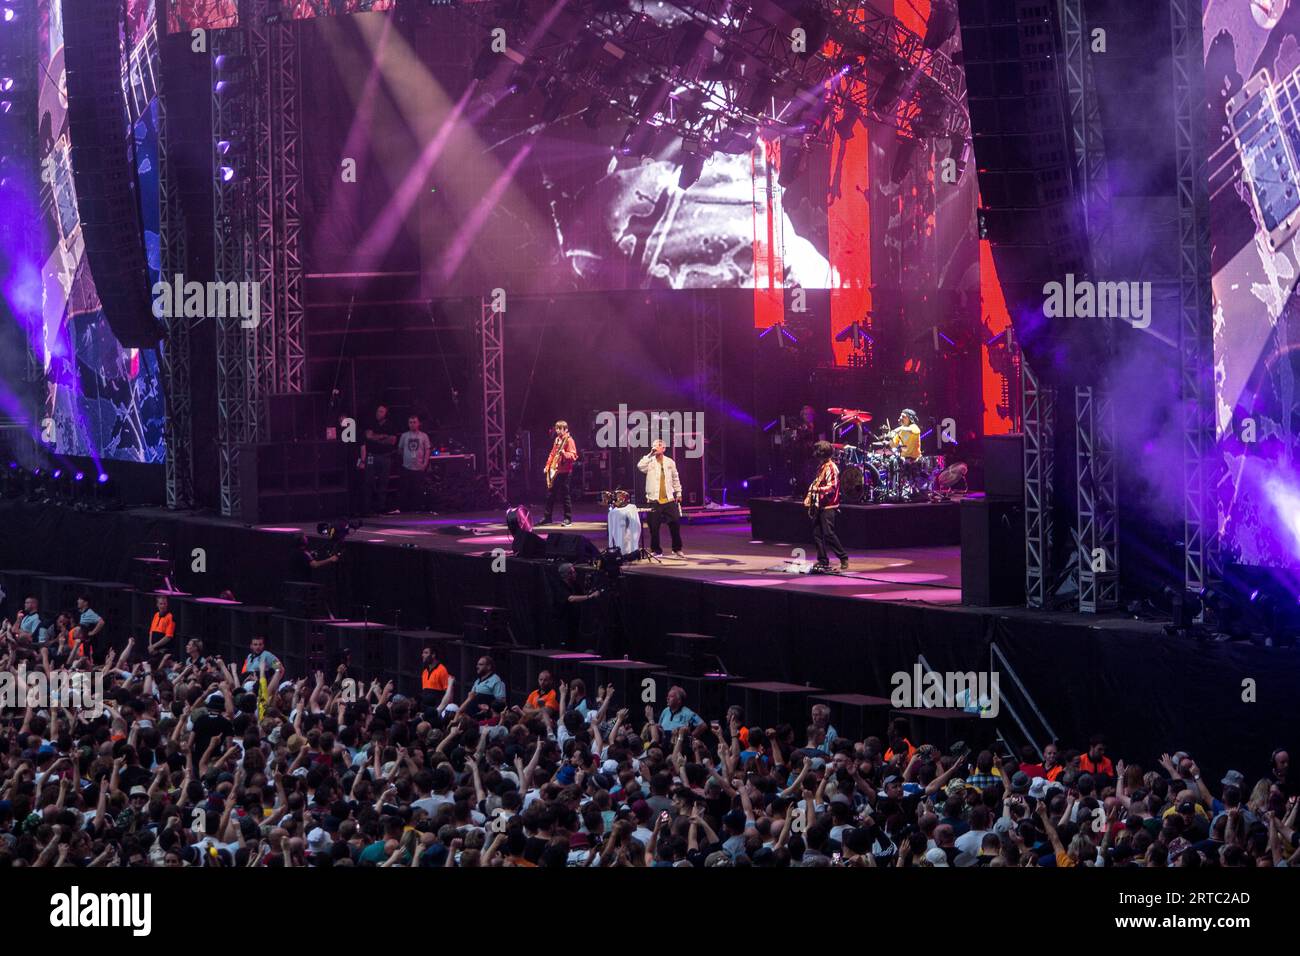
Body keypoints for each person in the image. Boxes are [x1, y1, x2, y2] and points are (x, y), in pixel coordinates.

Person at [804, 441, 849, 572]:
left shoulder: (831, 467)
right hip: (819, 504)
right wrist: (810, 496)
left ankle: (843, 557)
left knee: (828, 533)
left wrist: (818, 490)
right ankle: (822, 560)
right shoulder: (822, 466)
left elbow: (832, 487)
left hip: (829, 505)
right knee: (817, 533)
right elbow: (816, 483)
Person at [637, 439, 684, 557]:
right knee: (654, 526)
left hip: (668, 498)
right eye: (653, 446)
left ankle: (677, 549)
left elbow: (675, 477)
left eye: (658, 446)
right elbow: (639, 466)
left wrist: (678, 493)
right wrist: (649, 454)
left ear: (663, 448)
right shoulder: (649, 461)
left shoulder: (670, 462)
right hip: (654, 499)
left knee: (675, 523)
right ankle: (656, 550)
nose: (655, 447)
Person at [361, 403, 401, 516]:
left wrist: (376, 437)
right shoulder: (371, 422)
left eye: (381, 411)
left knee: (383, 482)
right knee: (368, 482)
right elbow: (368, 436)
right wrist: (383, 437)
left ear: (386, 413)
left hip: (385, 456)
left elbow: (392, 440)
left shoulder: (391, 425)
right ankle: (367, 508)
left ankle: (380, 507)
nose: (379, 413)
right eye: (378, 411)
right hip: (372, 456)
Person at [542, 420, 578, 526]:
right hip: (556, 471)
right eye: (556, 428)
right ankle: (547, 517)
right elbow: (552, 454)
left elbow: (573, 456)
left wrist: (565, 454)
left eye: (559, 428)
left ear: (565, 429)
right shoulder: (557, 439)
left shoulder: (569, 440)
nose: (557, 430)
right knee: (550, 495)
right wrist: (547, 466)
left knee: (565, 495)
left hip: (565, 472)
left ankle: (568, 519)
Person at [399, 413, 432, 514]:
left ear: (418, 424)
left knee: (418, 489)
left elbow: (427, 450)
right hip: (406, 466)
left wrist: (425, 463)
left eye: (414, 422)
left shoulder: (424, 436)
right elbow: (400, 449)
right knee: (405, 488)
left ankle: (418, 508)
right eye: (410, 422)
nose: (412, 424)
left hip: (419, 466)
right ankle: (405, 509)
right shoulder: (404, 436)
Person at [460, 655, 506, 721]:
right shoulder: (477, 681)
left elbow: (501, 702)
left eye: (480, 664)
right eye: (477, 664)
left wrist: (488, 709)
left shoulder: (496, 680)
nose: (477, 667)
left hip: (485, 719)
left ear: (489, 667)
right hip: (471, 717)